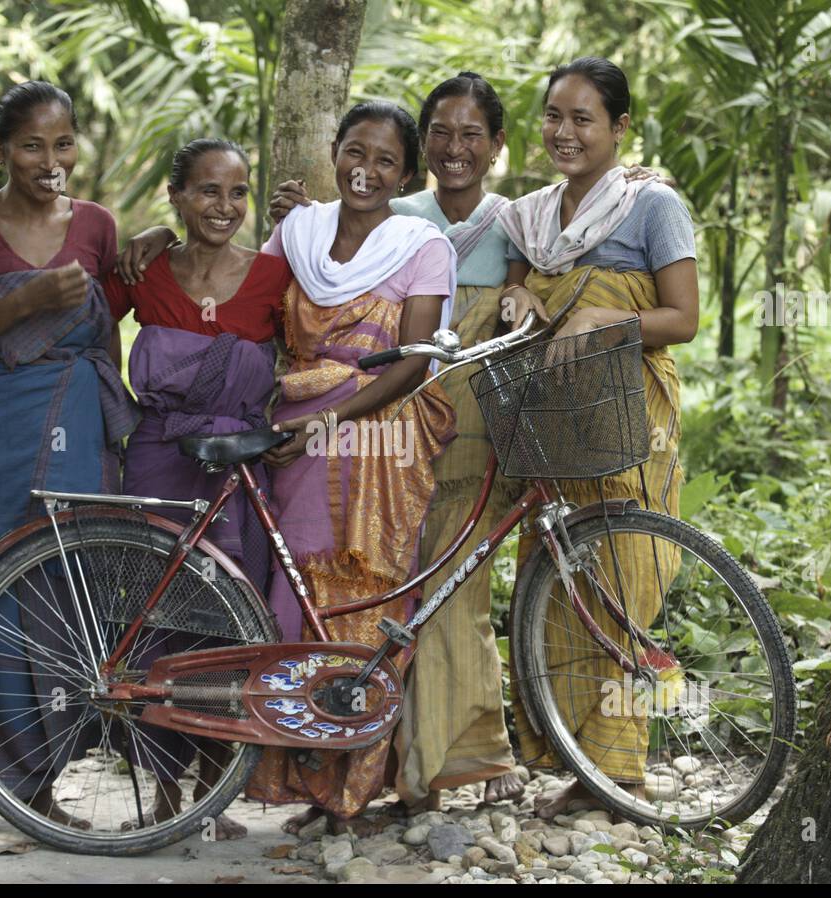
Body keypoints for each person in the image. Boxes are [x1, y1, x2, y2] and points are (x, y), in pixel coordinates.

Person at [264, 73, 662, 816]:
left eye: (472, 135)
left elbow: (546, 273)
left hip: (476, 403)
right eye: (441, 134)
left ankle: (462, 753)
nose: (456, 149)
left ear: (498, 144)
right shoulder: (393, 213)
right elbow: (325, 252)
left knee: (458, 572)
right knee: (393, 574)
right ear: (419, 151)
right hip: (388, 410)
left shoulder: (520, 221)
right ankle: (369, 759)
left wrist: (520, 294)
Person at [0, 81, 140, 835]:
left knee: (61, 590)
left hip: (78, 421)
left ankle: (39, 788)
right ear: (1, 150)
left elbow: (107, 331)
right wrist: (23, 302)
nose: (51, 161)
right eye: (32, 145)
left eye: (64, 143)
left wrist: (117, 432)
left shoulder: (99, 227)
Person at [241, 101, 456, 835]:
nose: (366, 169)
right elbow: (248, 310)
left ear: (406, 174)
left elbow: (415, 362)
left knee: (367, 610)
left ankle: (350, 793)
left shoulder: (420, 245)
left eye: (386, 160)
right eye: (354, 151)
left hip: (375, 445)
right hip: (294, 439)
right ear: (333, 150)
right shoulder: (295, 233)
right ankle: (300, 779)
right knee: (294, 603)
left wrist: (325, 422)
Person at [496, 56, 699, 819]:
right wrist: (519, 291)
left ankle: (621, 771)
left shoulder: (652, 208)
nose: (564, 132)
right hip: (552, 422)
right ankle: (578, 762)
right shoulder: (531, 215)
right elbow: (520, 287)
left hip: (632, 421)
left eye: (583, 119)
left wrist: (606, 317)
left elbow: (683, 318)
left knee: (623, 578)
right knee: (555, 584)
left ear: (618, 128)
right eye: (553, 115)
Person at [102, 138, 292, 840]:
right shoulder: (145, 268)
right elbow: (87, 335)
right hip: (159, 458)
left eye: (238, 192)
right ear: (177, 196)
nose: (225, 207)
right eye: (208, 191)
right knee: (155, 618)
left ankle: (215, 790)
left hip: (237, 461)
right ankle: (160, 792)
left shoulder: (275, 273)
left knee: (228, 619)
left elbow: (315, 347)